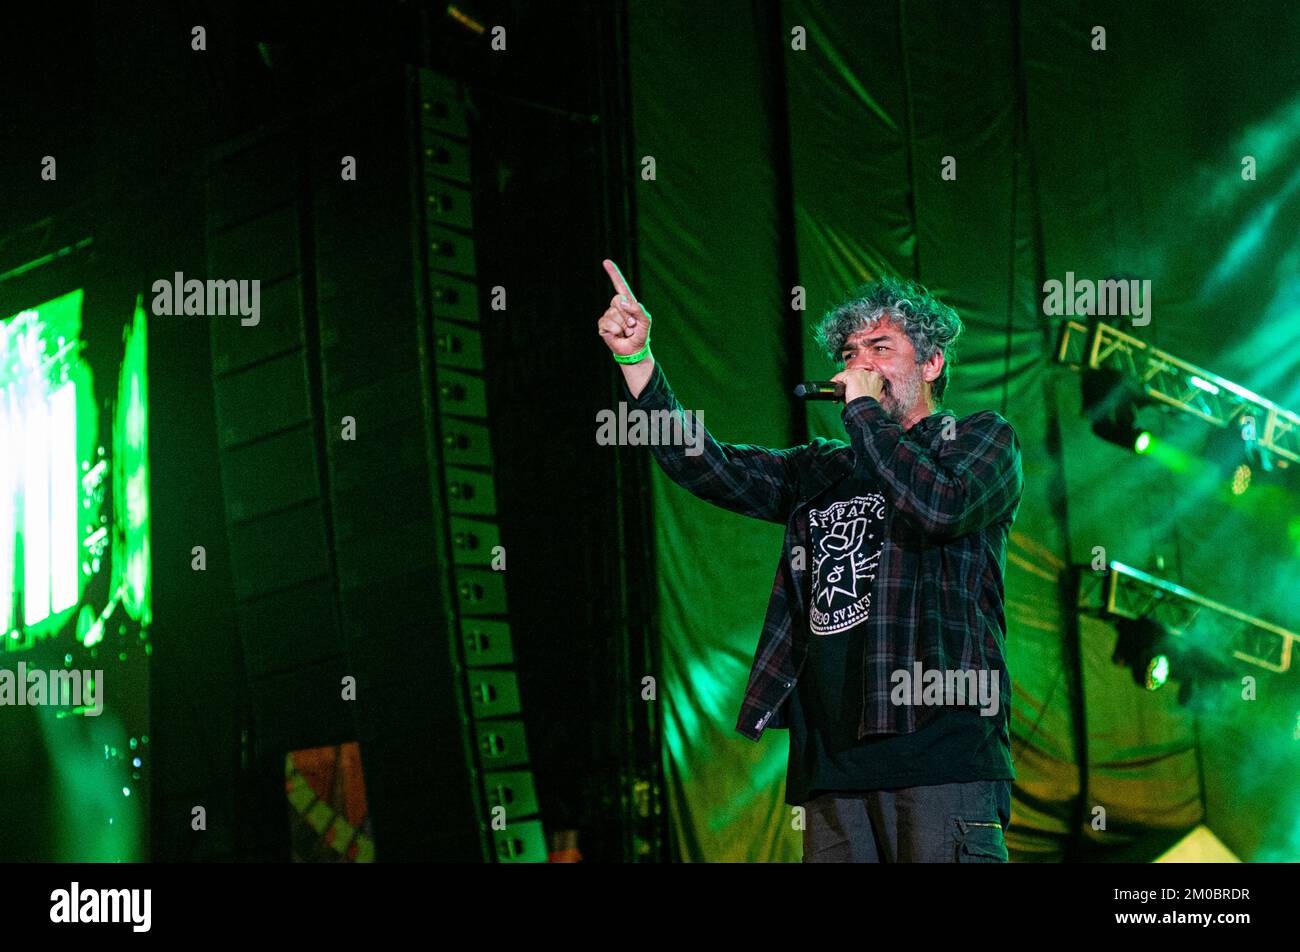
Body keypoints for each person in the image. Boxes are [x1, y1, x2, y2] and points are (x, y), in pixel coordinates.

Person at [596, 259, 1023, 863]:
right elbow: (708, 465)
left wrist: (865, 415)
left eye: (880, 346)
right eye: (851, 353)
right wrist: (637, 364)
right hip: (833, 764)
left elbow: (939, 506)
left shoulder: (981, 441)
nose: (861, 364)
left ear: (932, 363)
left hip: (939, 752)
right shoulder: (821, 468)